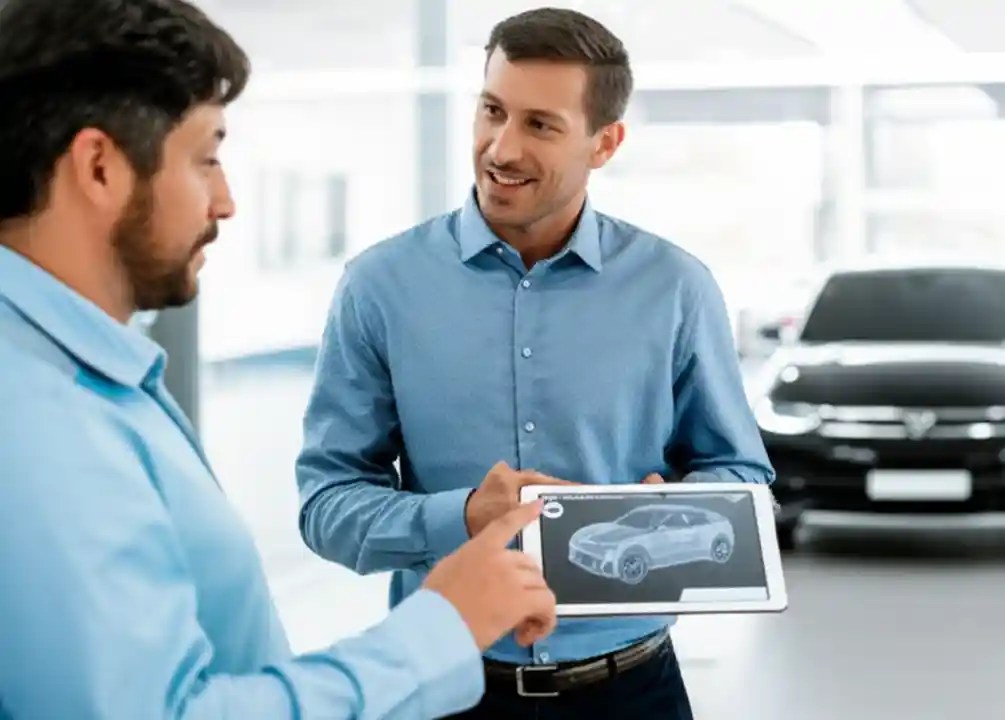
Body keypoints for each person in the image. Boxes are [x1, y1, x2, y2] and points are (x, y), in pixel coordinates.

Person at [0, 1, 558, 717]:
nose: (226, 201)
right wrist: (442, 626)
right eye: (206, 158)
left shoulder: (83, 378)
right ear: (100, 168)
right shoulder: (40, 419)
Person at [295, 7, 776, 719]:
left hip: (633, 692)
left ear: (604, 143)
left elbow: (742, 476)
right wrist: (461, 516)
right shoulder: (379, 287)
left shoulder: (676, 288)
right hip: (444, 687)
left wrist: (674, 508)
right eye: (492, 110)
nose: (501, 148)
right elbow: (327, 504)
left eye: (540, 125)